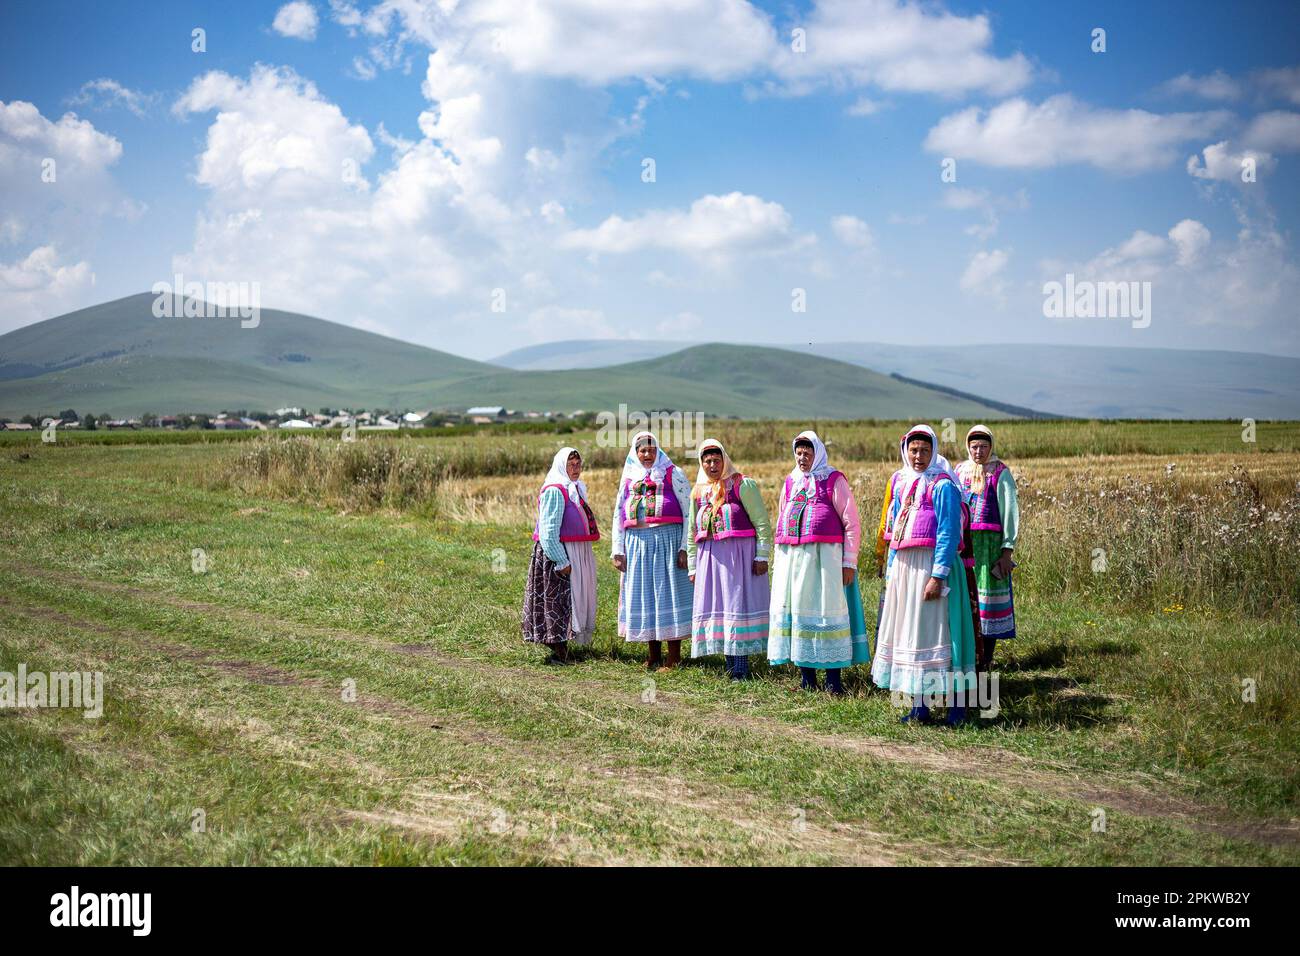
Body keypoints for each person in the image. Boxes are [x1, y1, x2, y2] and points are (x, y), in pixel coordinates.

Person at [871, 425, 977, 724]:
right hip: (906, 567)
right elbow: (893, 531)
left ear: (934, 451)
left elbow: (948, 531)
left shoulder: (943, 486)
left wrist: (938, 575)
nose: (918, 456)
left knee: (939, 631)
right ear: (906, 451)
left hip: (931, 567)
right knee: (913, 634)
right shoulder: (902, 484)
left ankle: (957, 708)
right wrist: (892, 571)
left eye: (925, 450)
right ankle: (920, 707)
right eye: (913, 450)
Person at [768, 430, 870, 695]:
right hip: (796, 561)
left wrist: (849, 562)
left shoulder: (834, 480)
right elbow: (781, 517)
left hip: (826, 562)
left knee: (826, 614)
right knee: (800, 615)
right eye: (799, 453)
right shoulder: (791, 481)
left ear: (818, 453)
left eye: (807, 453)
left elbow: (851, 523)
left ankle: (834, 683)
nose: (802, 458)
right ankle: (807, 680)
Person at [686, 438, 771, 680]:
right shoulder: (699, 492)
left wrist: (762, 554)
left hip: (739, 559)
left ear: (725, 460)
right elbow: (692, 532)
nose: (712, 465)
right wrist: (693, 566)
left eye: (716, 460)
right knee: (721, 608)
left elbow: (762, 523)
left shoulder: (742, 485)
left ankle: (741, 667)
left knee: (736, 606)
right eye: (707, 461)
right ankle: (731, 665)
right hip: (711, 561)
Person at [612, 431, 694, 670]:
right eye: (642, 450)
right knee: (646, 595)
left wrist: (684, 548)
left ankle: (674, 655)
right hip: (637, 544)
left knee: (668, 594)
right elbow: (619, 512)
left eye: (651, 450)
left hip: (668, 541)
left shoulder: (673, 473)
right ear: (635, 453)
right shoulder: (629, 477)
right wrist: (618, 550)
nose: (647, 454)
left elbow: (689, 511)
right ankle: (653, 654)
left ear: (658, 450)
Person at [522, 446, 600, 664]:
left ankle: (566, 648)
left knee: (570, 599)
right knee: (558, 601)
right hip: (558, 554)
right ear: (561, 466)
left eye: (578, 464)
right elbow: (548, 532)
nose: (575, 468)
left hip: (573, 550)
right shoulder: (556, 490)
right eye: (570, 465)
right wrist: (561, 560)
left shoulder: (573, 488)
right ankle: (559, 650)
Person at [956, 424, 1019, 669]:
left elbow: (1010, 511)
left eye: (983, 446)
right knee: (967, 597)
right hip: (966, 546)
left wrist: (1007, 550)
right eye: (974, 446)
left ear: (991, 446)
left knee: (988, 604)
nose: (978, 451)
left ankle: (986, 659)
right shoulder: (960, 470)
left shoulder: (1000, 472)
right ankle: (968, 655)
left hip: (990, 547)